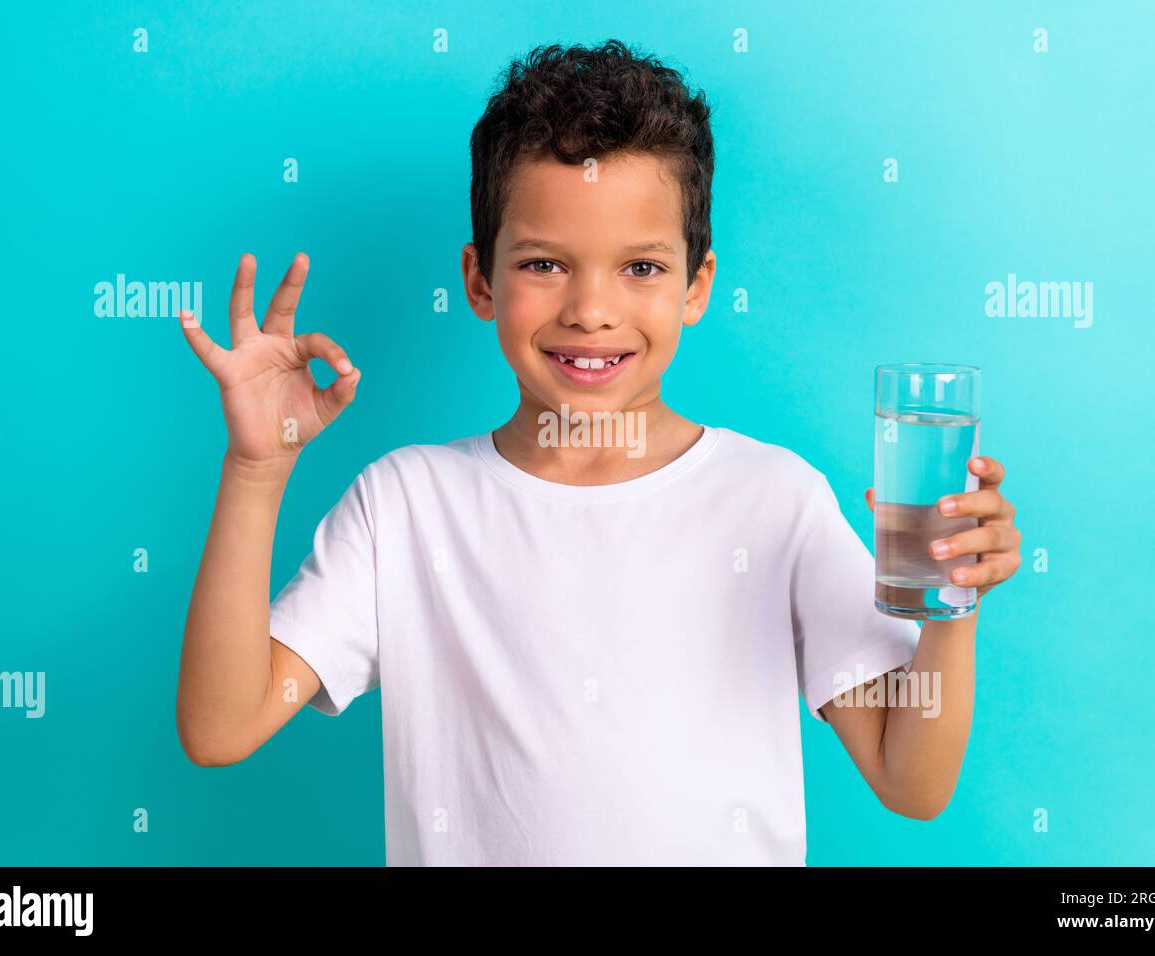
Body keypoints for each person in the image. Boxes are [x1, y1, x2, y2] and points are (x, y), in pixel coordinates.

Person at [174, 39, 1021, 866]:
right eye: (545, 263)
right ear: (480, 280)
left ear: (696, 285)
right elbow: (220, 728)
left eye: (640, 268)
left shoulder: (774, 499)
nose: (590, 309)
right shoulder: (405, 505)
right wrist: (256, 469)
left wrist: (953, 603)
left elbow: (912, 780)